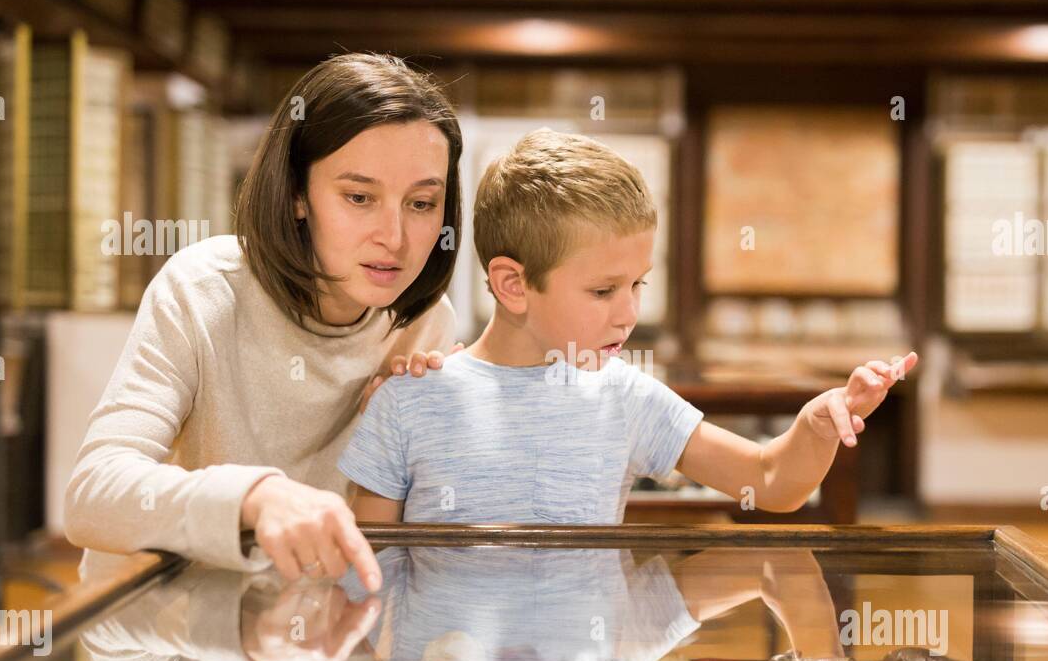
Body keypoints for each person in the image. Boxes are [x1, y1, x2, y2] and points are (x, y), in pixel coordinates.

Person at [339, 128, 917, 527]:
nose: (628, 312)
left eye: (637, 284)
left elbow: (771, 482)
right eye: (602, 290)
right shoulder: (407, 403)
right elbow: (367, 582)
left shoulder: (625, 395)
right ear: (513, 284)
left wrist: (814, 428)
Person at [65, 53, 465, 590]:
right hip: (174, 633)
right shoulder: (203, 290)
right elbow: (92, 495)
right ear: (298, 195)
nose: (394, 237)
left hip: (317, 637)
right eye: (359, 197)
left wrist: (410, 446)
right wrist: (255, 496)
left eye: (421, 203)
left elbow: (397, 541)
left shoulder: (426, 324)